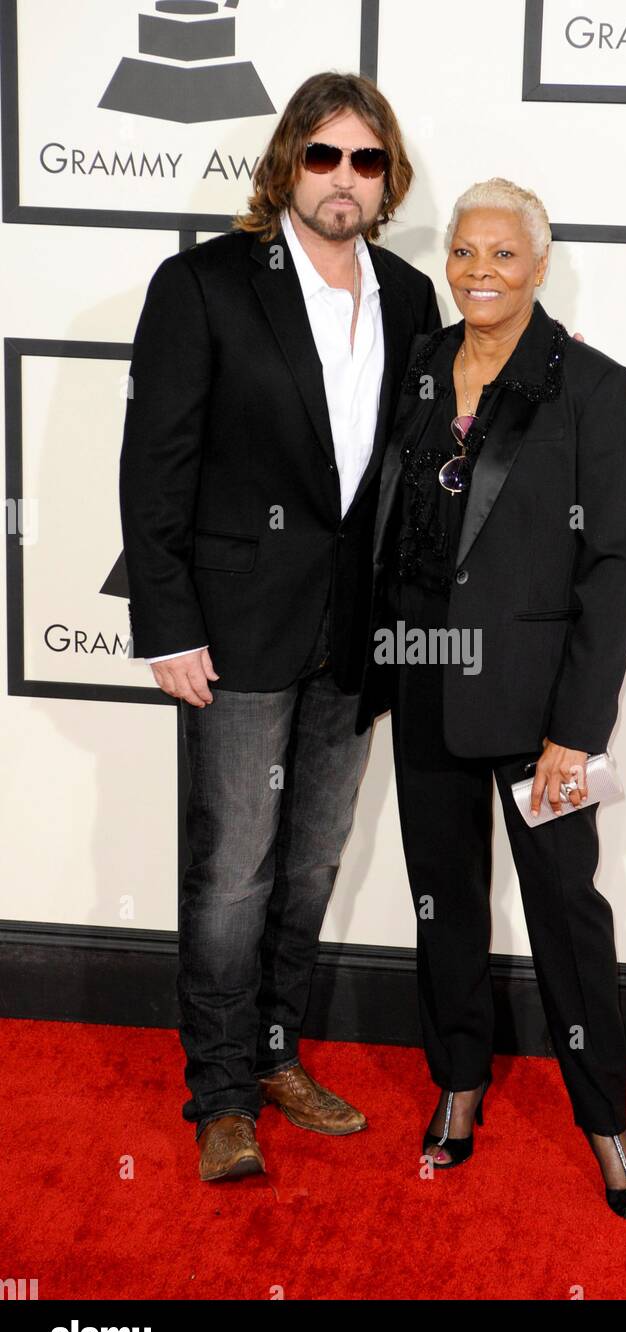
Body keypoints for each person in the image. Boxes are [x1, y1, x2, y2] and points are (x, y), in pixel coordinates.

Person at [118, 72, 441, 1181]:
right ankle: (217, 1093)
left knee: (307, 866)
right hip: (236, 628)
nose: (343, 179)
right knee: (231, 873)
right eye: (322, 156)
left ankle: (273, 1052)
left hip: (352, 636)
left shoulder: (405, 295)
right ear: (286, 163)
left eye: (364, 160)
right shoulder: (204, 284)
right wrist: (167, 623)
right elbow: (154, 467)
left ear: (386, 177)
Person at [357, 178, 626, 1221]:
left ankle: (604, 1117)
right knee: (442, 893)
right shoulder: (423, 367)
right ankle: (459, 1078)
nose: (479, 273)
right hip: (428, 677)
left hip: (539, 715)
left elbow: (612, 570)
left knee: (567, 911)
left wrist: (576, 732)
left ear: (539, 262)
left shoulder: (593, 386)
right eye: (464, 254)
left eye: (502, 255)